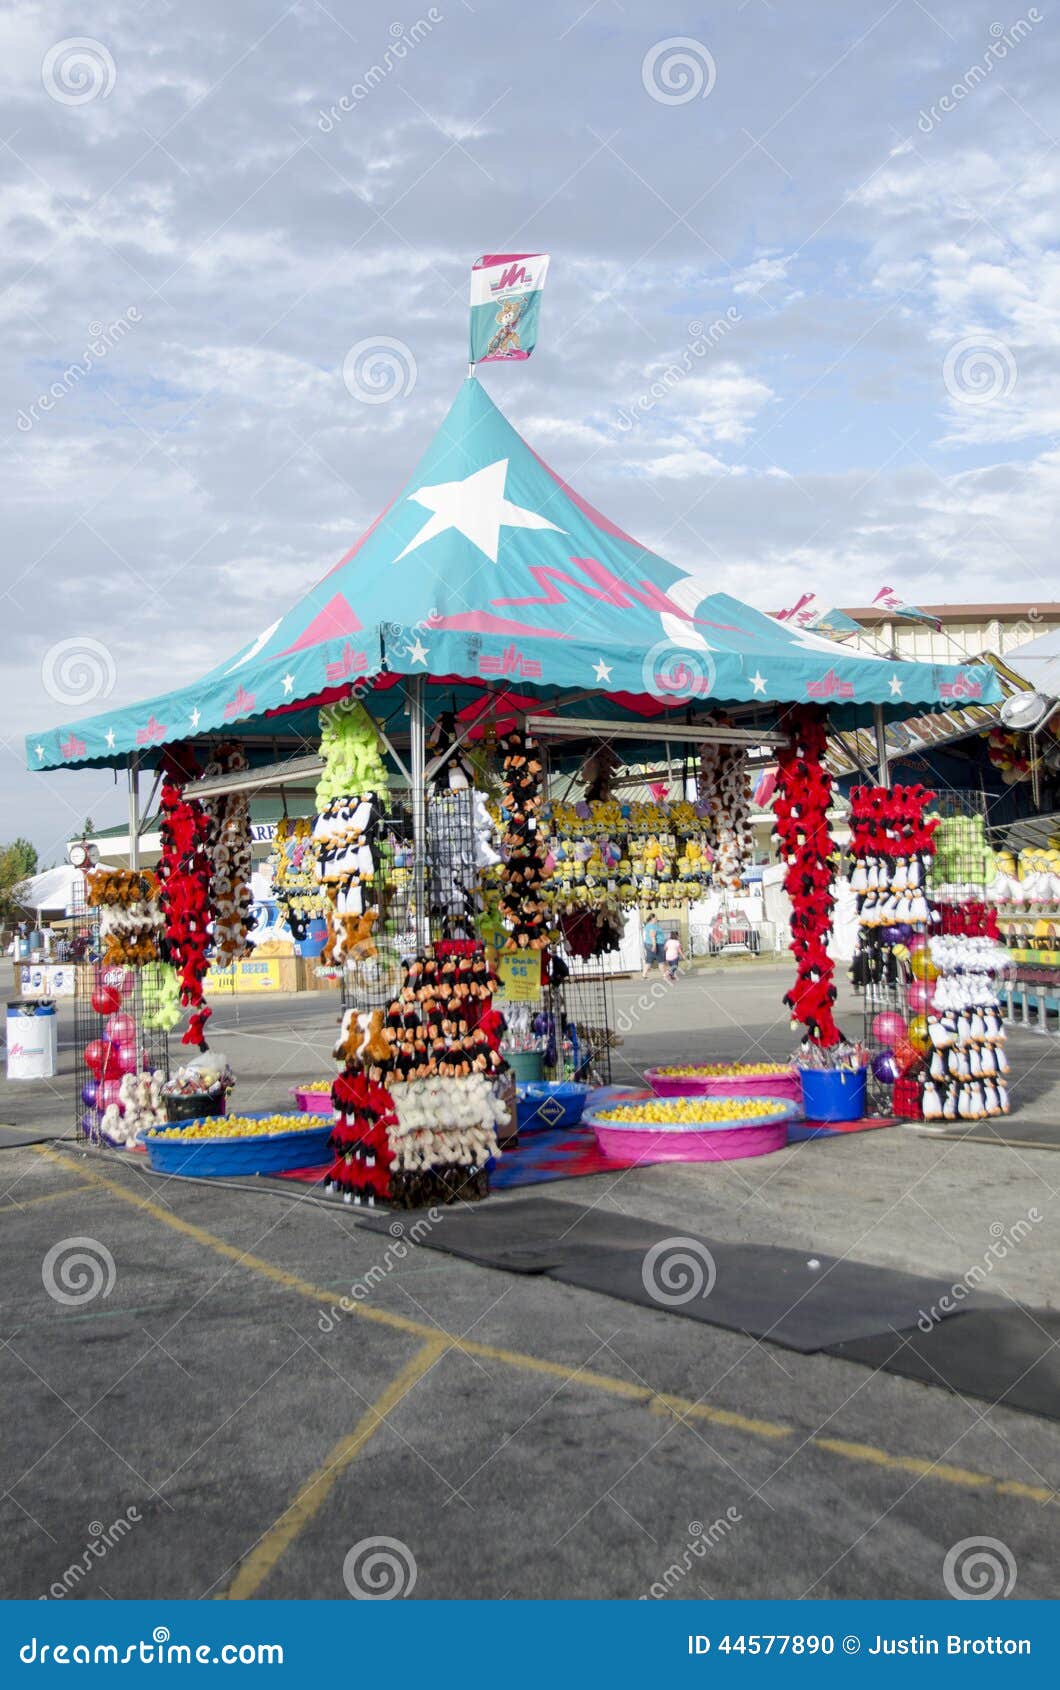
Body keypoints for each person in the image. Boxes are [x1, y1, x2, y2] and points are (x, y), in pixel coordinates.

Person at [641, 911, 663, 977]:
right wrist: (654, 946)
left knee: (649, 960)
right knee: (661, 960)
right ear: (652, 919)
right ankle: (664, 974)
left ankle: (644, 974)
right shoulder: (651, 926)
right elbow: (652, 936)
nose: (657, 919)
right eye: (655, 918)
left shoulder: (649, 925)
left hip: (649, 944)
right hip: (654, 944)